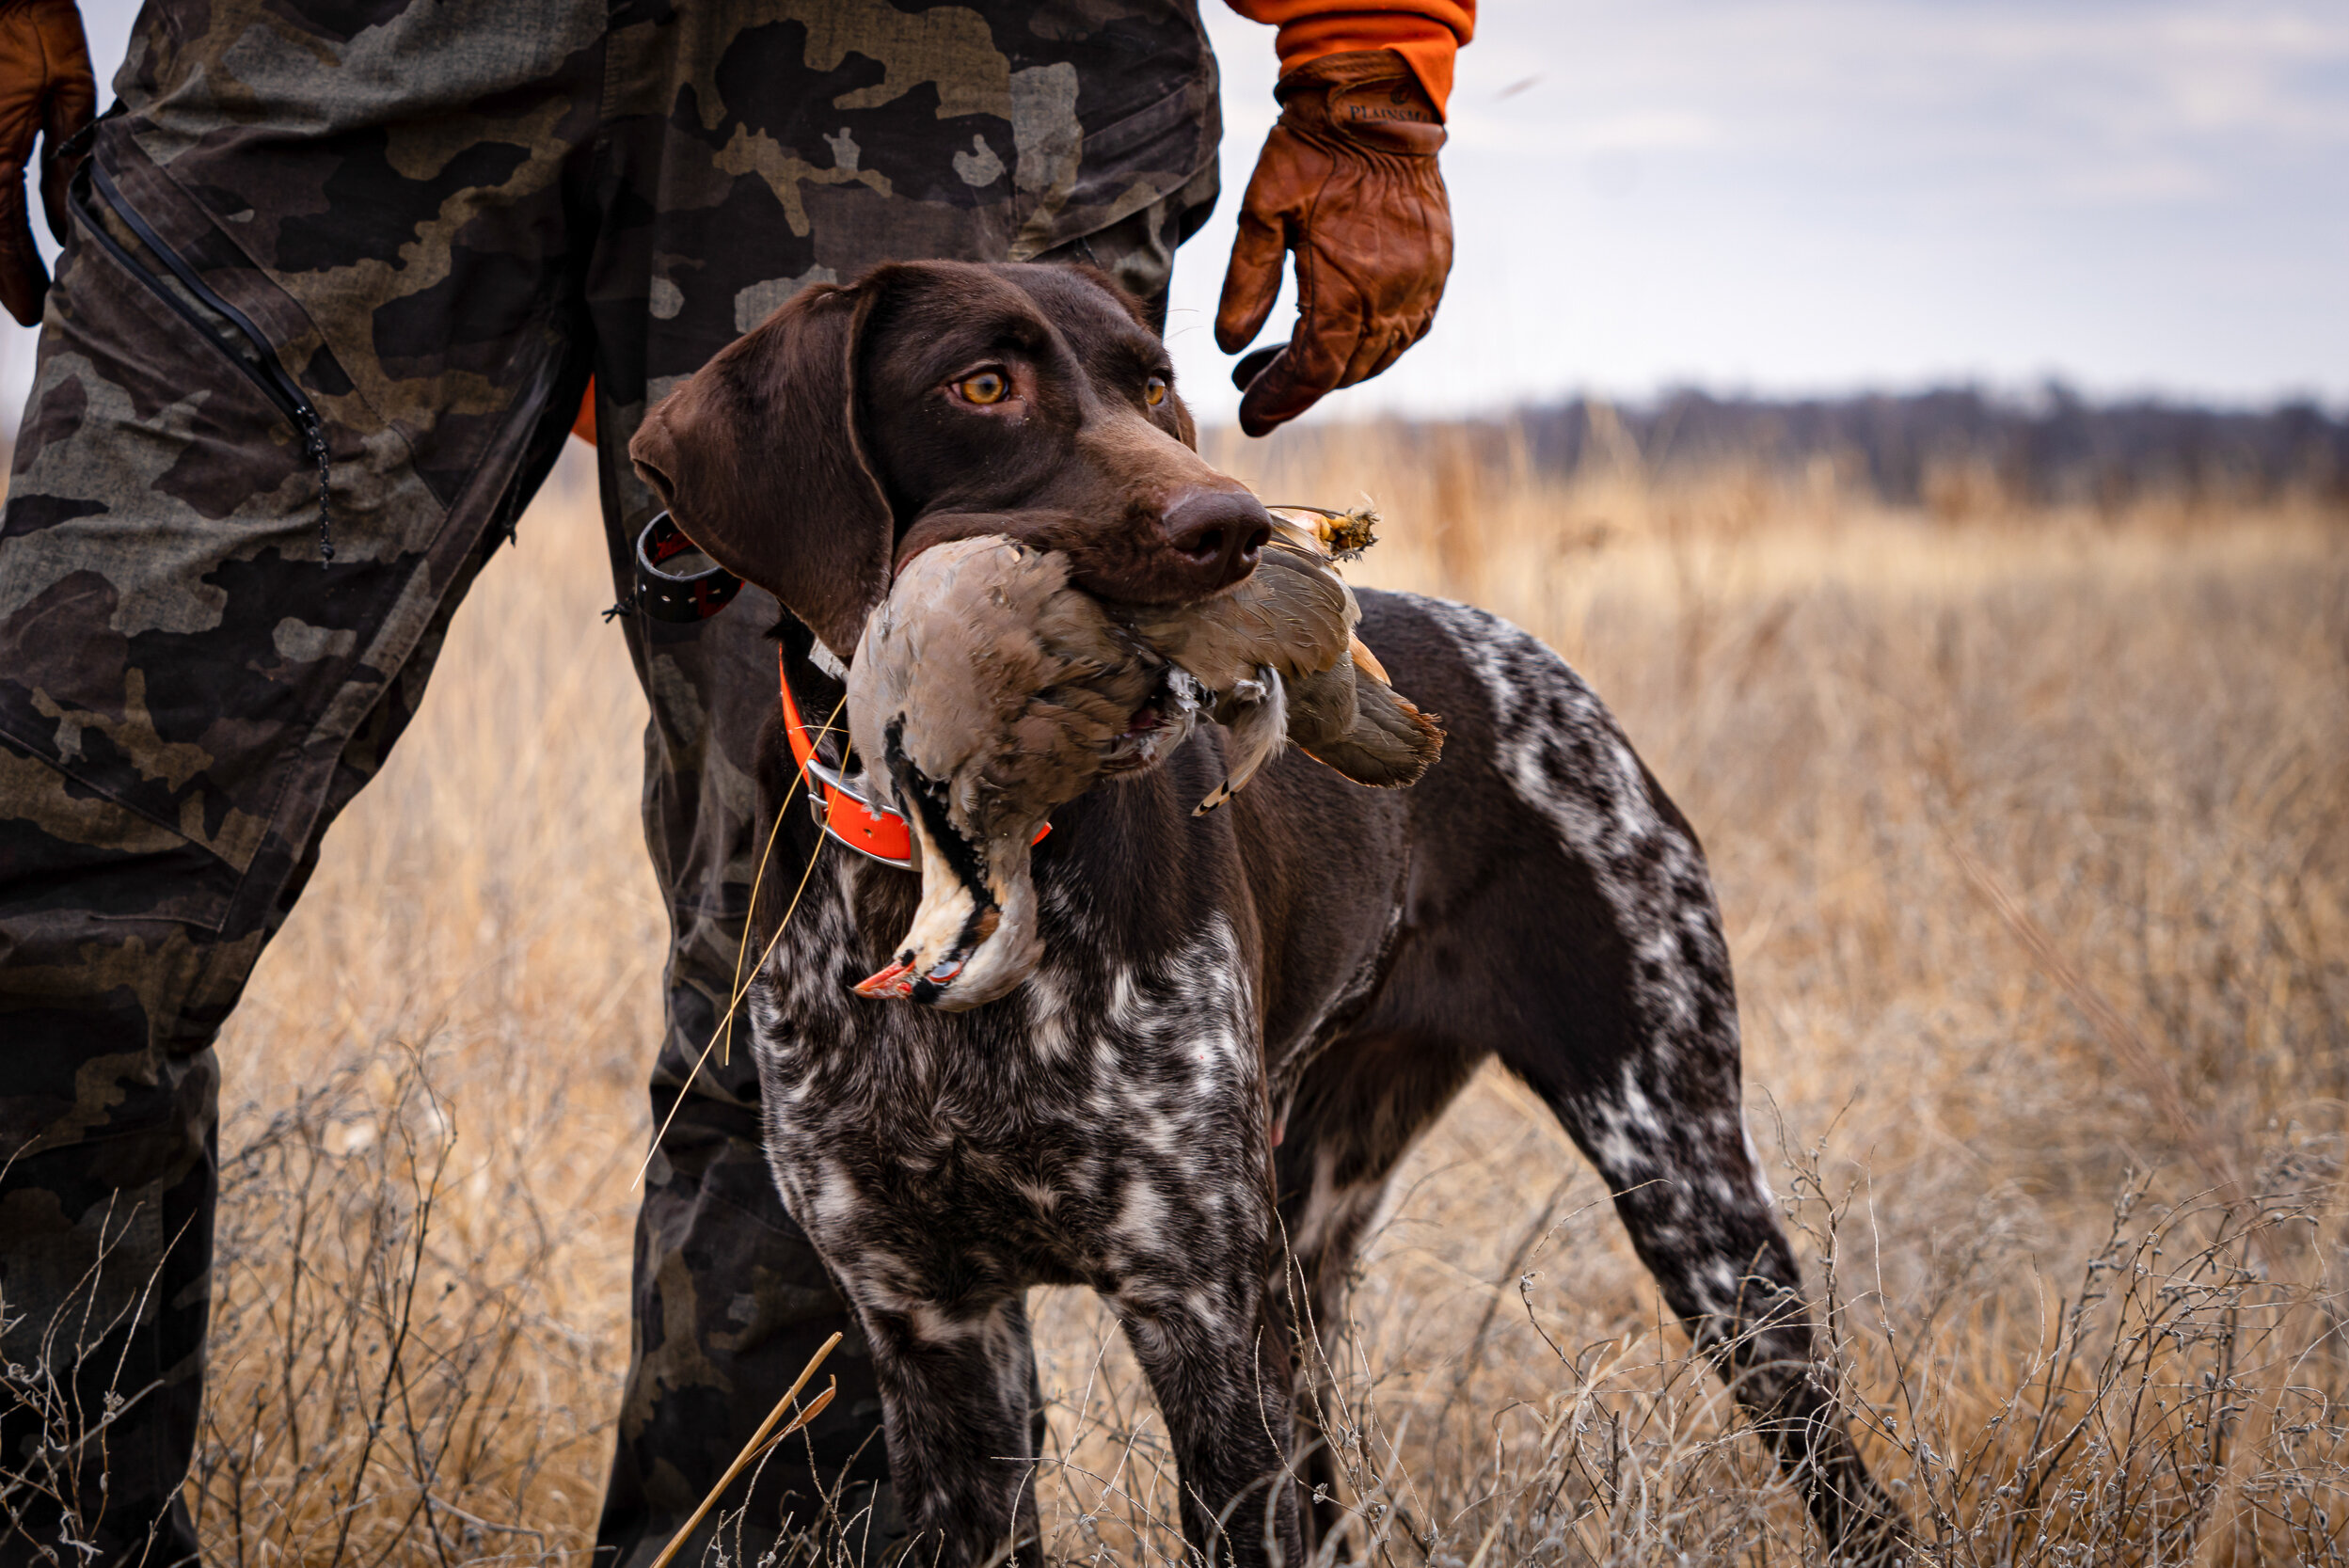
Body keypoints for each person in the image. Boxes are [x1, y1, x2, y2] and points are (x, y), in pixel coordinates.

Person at [0, 1, 1470, 1562]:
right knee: (47, 885)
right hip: (328, 44)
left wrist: (1373, 62)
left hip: (947, 46)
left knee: (839, 985)